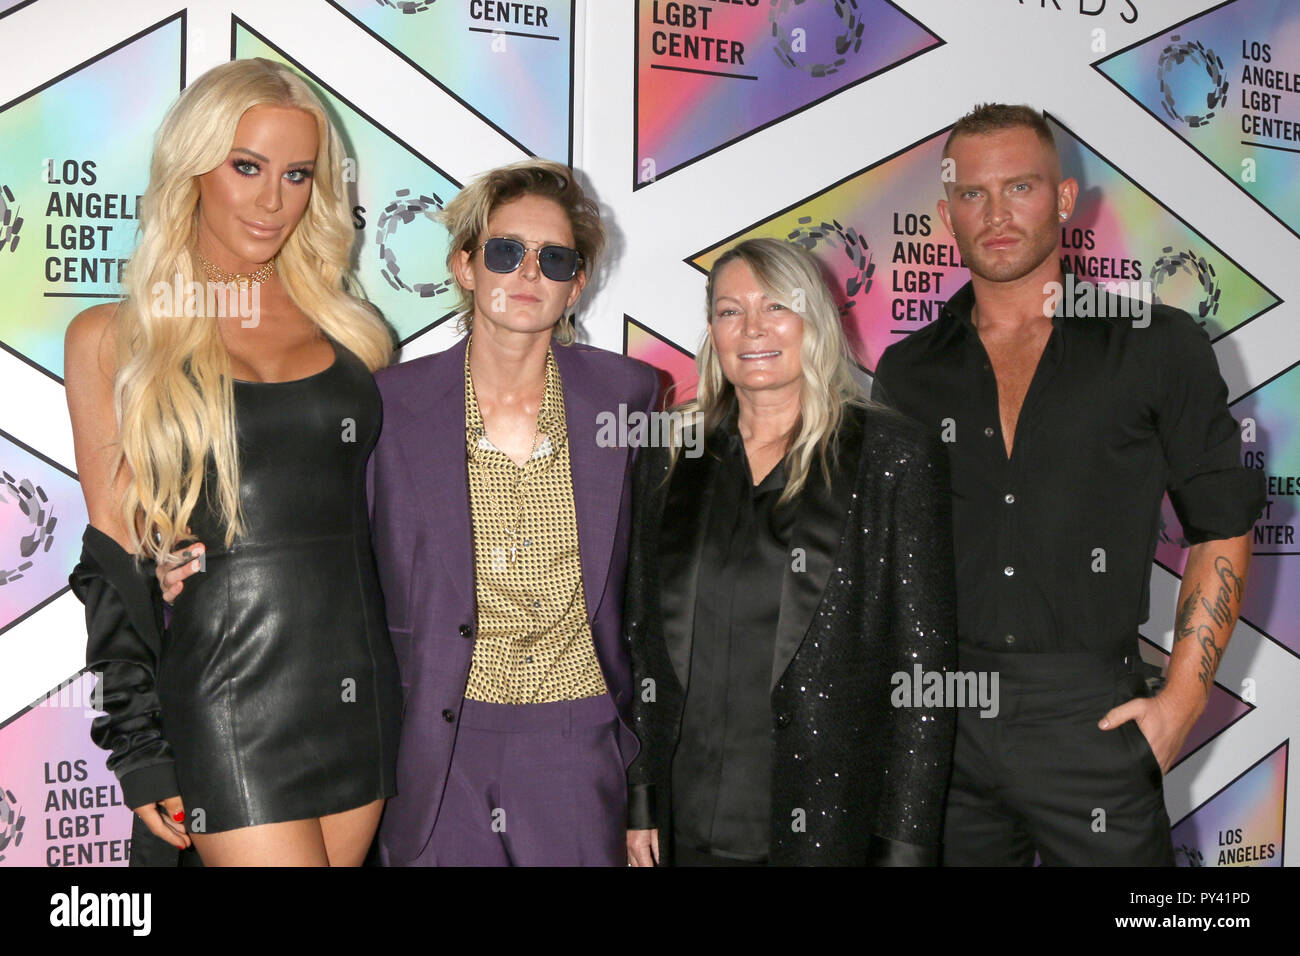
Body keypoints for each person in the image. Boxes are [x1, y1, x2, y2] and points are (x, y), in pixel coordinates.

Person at [870, 103, 1266, 866]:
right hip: (942, 724)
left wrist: (1183, 702)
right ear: (948, 214)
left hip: (1094, 717)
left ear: (1062, 199)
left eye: (1019, 187)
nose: (996, 214)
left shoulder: (1156, 347)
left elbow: (1221, 525)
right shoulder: (909, 372)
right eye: (973, 193)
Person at [67, 57, 402, 866]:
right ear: (193, 169)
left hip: (357, 686)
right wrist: (138, 745)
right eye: (246, 167)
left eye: (297, 174)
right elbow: (113, 556)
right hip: (227, 696)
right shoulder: (113, 339)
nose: (273, 200)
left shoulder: (355, 335)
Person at [624, 237, 957, 867]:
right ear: (712, 330)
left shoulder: (893, 458)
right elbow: (640, 636)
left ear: (815, 319)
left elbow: (923, 674)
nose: (752, 328)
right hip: (683, 821)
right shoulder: (669, 455)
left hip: (826, 829)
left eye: (776, 305)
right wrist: (641, 796)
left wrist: (905, 849)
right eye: (730, 311)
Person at [364, 159, 659, 866]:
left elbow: (652, 593)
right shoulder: (389, 405)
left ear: (576, 285)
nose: (529, 273)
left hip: (577, 743)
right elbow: (339, 570)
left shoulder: (628, 397)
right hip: (438, 749)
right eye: (505, 251)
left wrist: (644, 787)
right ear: (464, 266)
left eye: (555, 259)